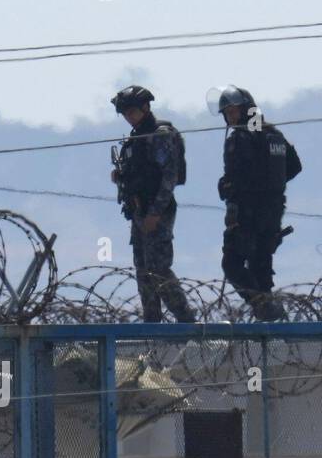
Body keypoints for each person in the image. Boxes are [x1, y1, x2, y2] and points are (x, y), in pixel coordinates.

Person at [110, 85, 196, 323]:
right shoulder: (137, 136)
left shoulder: (160, 134)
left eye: (132, 111)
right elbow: (140, 171)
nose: (129, 117)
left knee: (158, 270)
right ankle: (152, 323)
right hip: (138, 210)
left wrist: (155, 213)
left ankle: (187, 321)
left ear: (145, 108)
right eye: (125, 113)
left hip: (156, 210)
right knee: (143, 272)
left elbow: (169, 176)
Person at [216, 86, 301, 321]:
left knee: (232, 264)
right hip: (273, 213)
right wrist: (271, 187)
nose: (231, 117)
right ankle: (271, 322)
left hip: (247, 214)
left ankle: (264, 307)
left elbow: (239, 178)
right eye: (228, 113)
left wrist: (227, 187)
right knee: (261, 270)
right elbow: (294, 167)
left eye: (234, 112)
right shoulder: (274, 135)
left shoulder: (240, 139)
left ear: (246, 110)